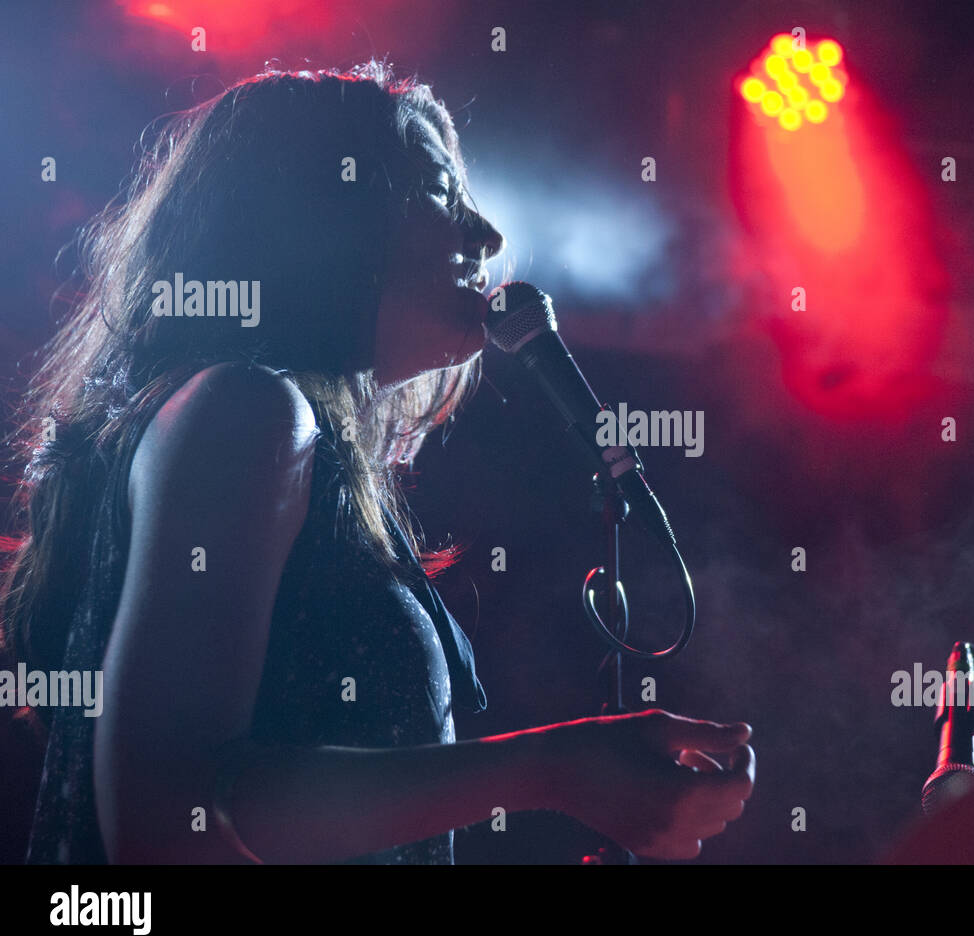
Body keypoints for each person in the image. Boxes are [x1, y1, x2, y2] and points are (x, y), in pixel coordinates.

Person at [0, 61, 753, 864]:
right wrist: (553, 769)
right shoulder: (246, 409)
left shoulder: (275, 432)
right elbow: (172, 813)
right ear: (324, 210)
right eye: (438, 189)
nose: (488, 237)